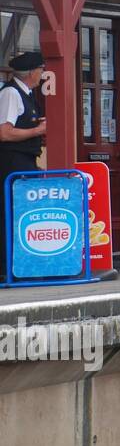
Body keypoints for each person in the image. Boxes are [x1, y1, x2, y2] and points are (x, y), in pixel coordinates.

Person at [0, 51, 47, 280]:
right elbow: (5, 133)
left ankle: (21, 267)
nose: (43, 74)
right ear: (32, 72)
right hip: (11, 162)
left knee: (23, 214)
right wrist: (37, 131)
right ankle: (6, 269)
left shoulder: (27, 94)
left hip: (25, 160)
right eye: (41, 70)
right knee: (9, 213)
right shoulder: (11, 93)